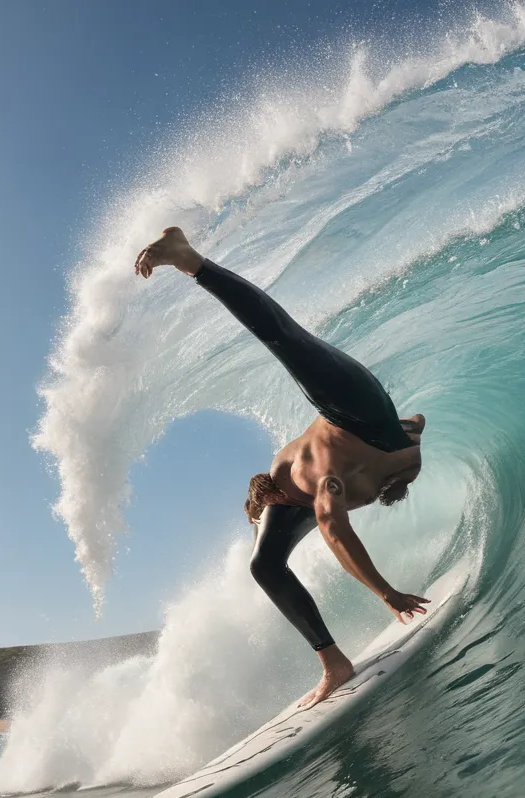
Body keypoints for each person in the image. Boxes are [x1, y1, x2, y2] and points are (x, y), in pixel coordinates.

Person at [135, 228, 429, 706]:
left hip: (353, 408)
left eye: (269, 512)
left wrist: (387, 594)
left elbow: (333, 524)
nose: (278, 519)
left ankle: (190, 259)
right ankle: (333, 661)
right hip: (374, 425)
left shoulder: (313, 480)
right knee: (265, 563)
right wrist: (407, 443)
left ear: (279, 497)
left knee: (284, 339)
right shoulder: (317, 482)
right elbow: (330, 515)